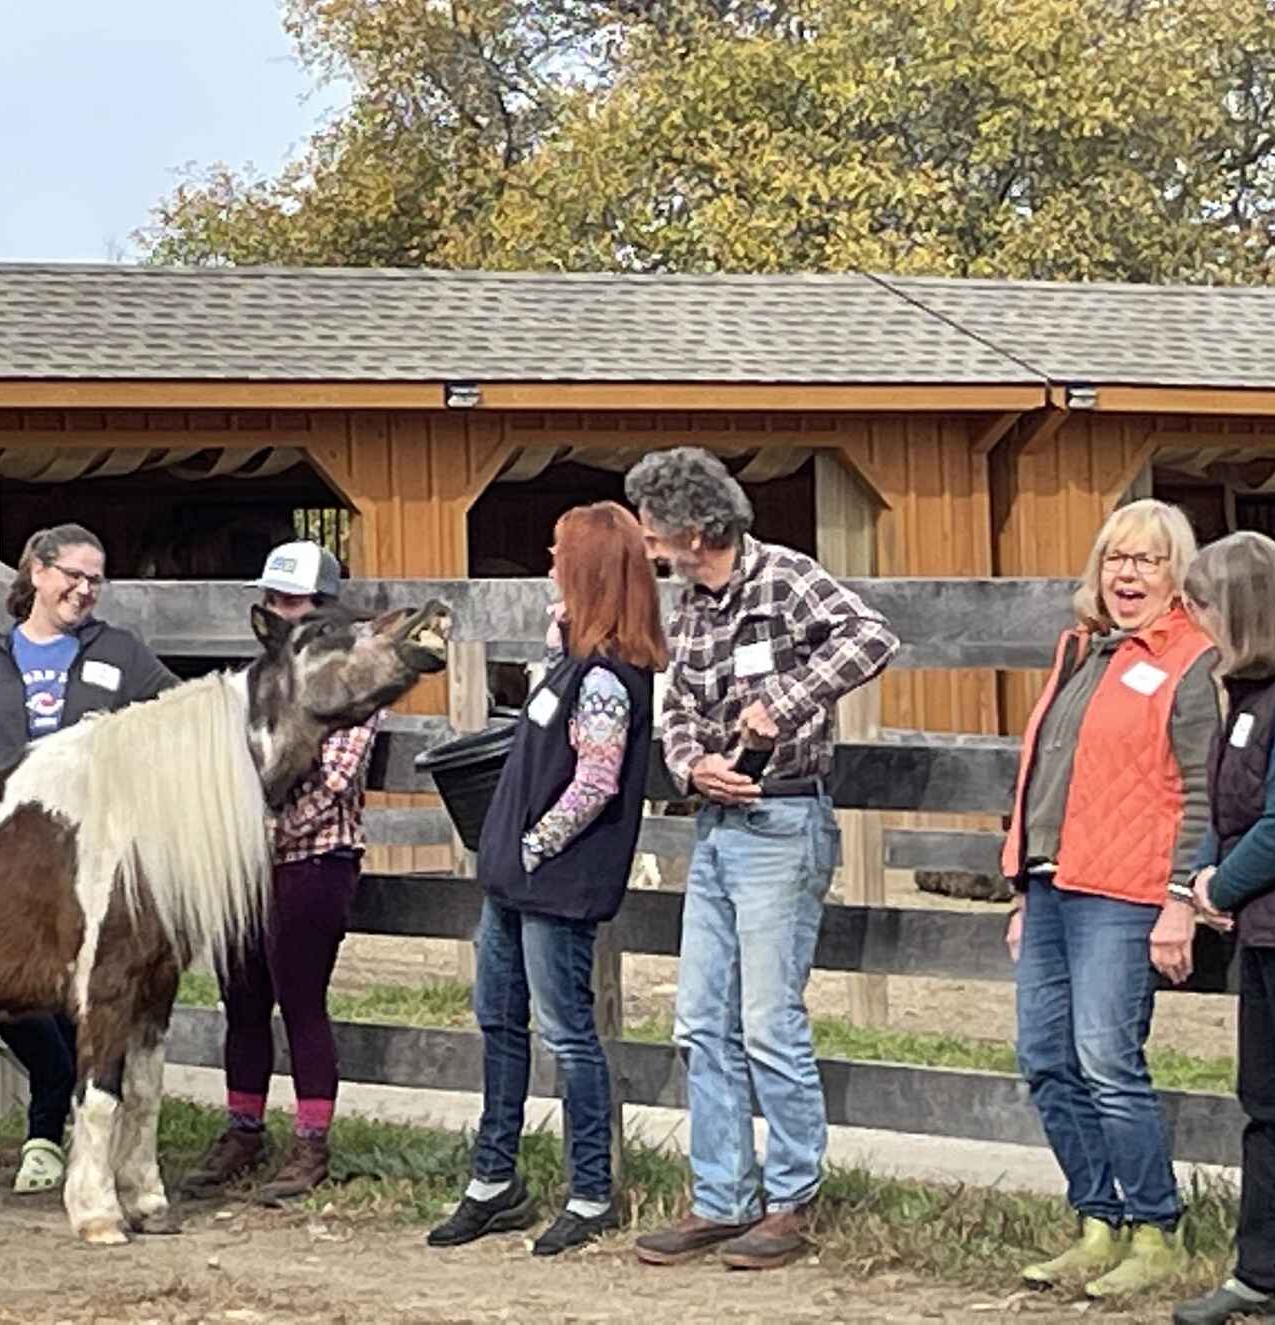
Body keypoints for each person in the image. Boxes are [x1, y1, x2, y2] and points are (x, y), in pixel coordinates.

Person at [623, 447, 900, 1271]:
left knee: (767, 1021)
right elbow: (674, 708)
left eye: (653, 528)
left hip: (782, 819)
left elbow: (872, 635)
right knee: (699, 1019)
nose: (646, 542)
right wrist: (690, 767)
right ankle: (720, 1196)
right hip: (715, 822)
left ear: (694, 529)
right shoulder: (686, 609)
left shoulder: (785, 577)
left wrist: (782, 702)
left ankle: (789, 1198)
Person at [425, 502, 668, 1256]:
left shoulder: (607, 680)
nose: (550, 562)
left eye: (561, 553)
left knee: (567, 1033)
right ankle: (493, 1179)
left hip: (553, 884)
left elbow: (594, 782)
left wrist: (533, 847)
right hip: (517, 879)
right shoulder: (571, 664)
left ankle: (590, 1189)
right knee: (499, 1019)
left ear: (587, 570)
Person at [999, 499, 1216, 1300]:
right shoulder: (1081, 650)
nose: (1126, 574)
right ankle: (1096, 1218)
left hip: (1124, 892)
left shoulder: (1191, 659)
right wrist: (1022, 884)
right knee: (1044, 1058)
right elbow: (1044, 779)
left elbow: (1202, 792)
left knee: (1106, 1060)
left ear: (1175, 573)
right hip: (1050, 883)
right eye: (1115, 558)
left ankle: (1155, 1229)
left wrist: (1179, 898)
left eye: (1145, 560)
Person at [0, 523, 178, 1194]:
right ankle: (57, 1095)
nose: (84, 589)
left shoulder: (120, 653)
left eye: (95, 580)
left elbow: (175, 720)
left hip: (93, 861)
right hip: (5, 861)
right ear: (37, 572)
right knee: (4, 989)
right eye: (73, 574)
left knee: (96, 997)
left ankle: (55, 1138)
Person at [181, 540, 379, 1204]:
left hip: (313, 857)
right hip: (247, 862)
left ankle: (310, 1140)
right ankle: (243, 1128)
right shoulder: (253, 681)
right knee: (240, 999)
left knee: (300, 999)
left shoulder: (354, 684)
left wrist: (257, 832)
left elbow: (336, 781)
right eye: (273, 599)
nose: (278, 610)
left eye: (292, 601)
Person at [1173, 532, 1275, 1325]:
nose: (1196, 621)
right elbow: (1229, 812)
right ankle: (1260, 1272)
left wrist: (1220, 883)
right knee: (1268, 1104)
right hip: (1266, 932)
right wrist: (1202, 878)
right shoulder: (1249, 698)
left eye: (1203, 606)